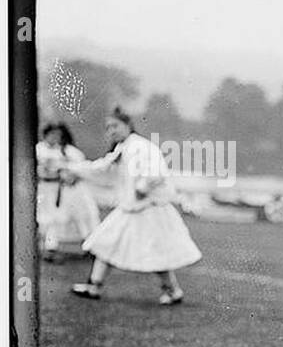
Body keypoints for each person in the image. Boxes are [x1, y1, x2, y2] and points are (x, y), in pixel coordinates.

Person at [69, 107, 202, 304]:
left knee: (155, 250)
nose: (111, 131)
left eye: (115, 125)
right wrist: (73, 169)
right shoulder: (122, 148)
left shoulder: (141, 146)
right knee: (106, 241)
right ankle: (94, 286)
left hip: (150, 208)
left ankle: (173, 291)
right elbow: (101, 168)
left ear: (128, 125)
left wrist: (143, 187)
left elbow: (157, 171)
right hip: (131, 207)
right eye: (108, 128)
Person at [36, 121, 98, 260]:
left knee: (57, 218)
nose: (55, 138)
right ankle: (42, 247)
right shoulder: (38, 149)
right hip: (42, 187)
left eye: (57, 135)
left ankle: (53, 247)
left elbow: (80, 167)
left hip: (59, 189)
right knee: (41, 218)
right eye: (52, 134)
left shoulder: (66, 151)